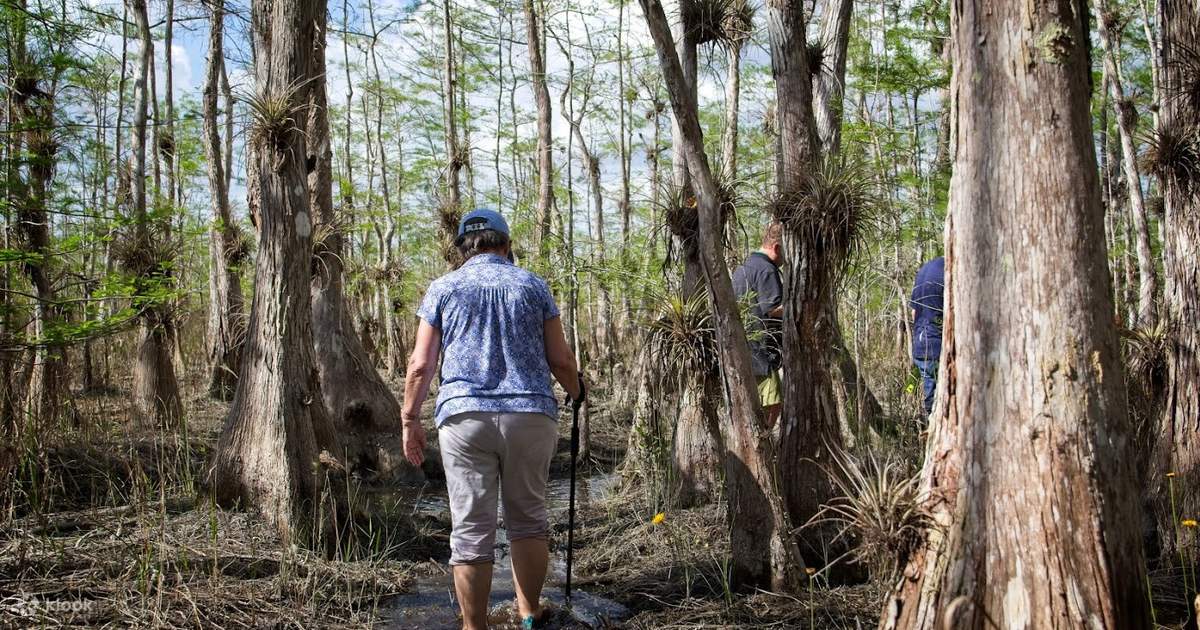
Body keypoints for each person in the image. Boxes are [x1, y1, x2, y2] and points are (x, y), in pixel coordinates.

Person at [401, 208, 584, 630]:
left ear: (462, 249)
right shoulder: (533, 285)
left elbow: (420, 365)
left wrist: (410, 418)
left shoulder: (443, 287)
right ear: (506, 245)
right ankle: (529, 613)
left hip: (465, 417)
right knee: (529, 519)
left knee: (470, 528)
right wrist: (578, 392)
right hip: (530, 415)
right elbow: (560, 359)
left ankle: (474, 626)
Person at [732, 221, 785, 428]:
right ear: (777, 248)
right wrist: (800, 305)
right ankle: (763, 442)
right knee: (773, 404)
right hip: (761, 353)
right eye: (785, 253)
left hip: (741, 350)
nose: (785, 260)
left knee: (752, 406)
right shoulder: (767, 270)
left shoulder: (743, 268)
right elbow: (772, 309)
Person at [910, 255, 945, 417]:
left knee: (919, 383)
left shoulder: (923, 272)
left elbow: (914, 312)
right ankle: (929, 422)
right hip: (935, 347)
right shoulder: (947, 271)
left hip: (919, 344)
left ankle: (912, 411)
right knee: (934, 396)